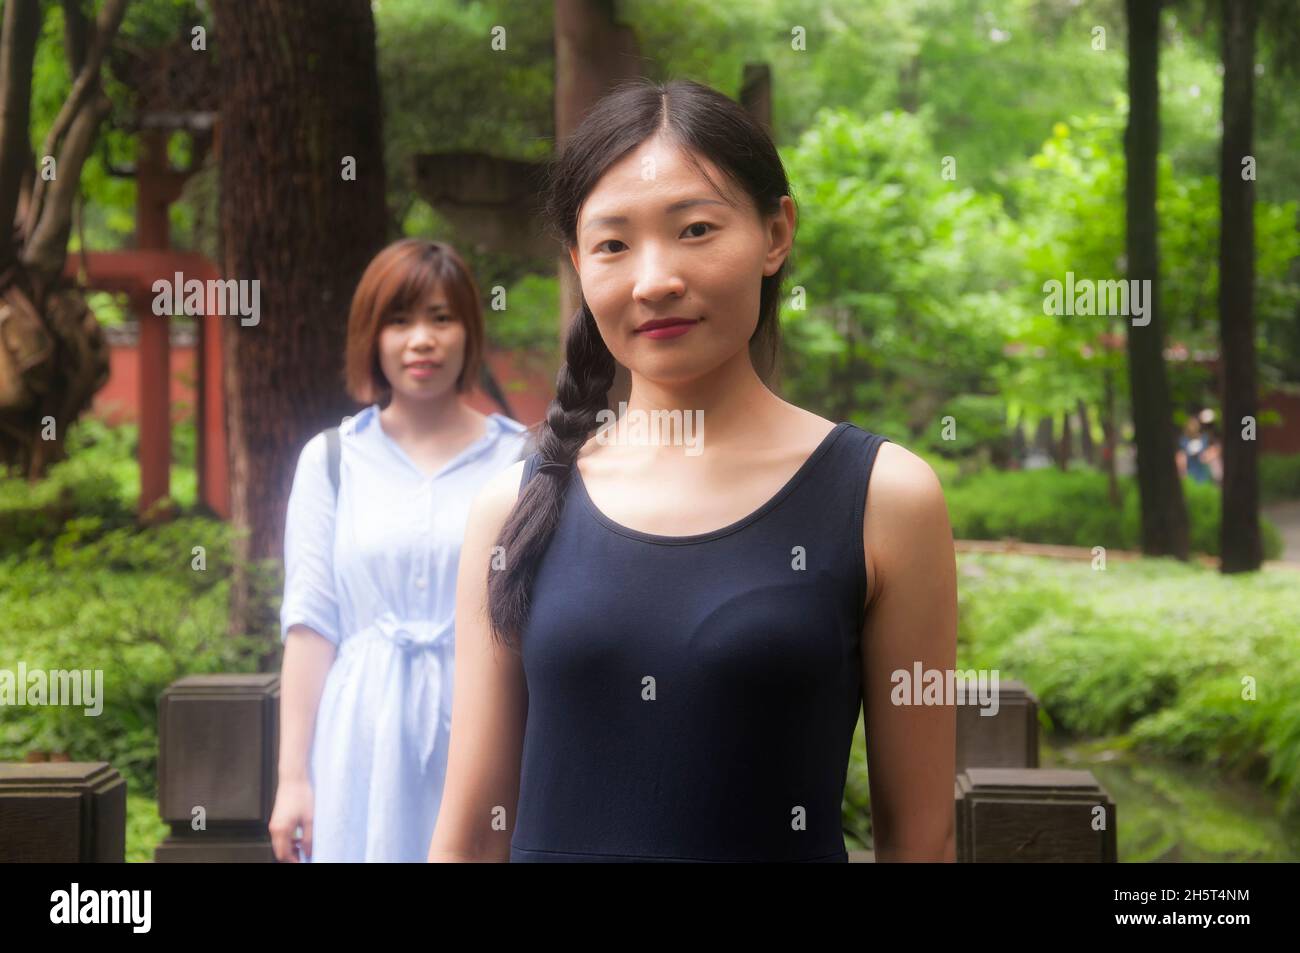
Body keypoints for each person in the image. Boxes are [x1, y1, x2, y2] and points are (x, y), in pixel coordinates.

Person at [429, 80, 957, 863]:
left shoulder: (885, 497)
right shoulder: (514, 505)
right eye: (613, 244)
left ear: (777, 233)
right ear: (578, 264)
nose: (654, 279)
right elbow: (472, 832)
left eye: (696, 229)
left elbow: (920, 841)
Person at [270, 239, 528, 862]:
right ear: (371, 335)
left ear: (469, 332)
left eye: (442, 319)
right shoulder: (330, 460)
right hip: (361, 729)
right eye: (400, 320)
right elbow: (311, 625)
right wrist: (292, 779)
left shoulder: (523, 459)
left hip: (485, 722)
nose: (422, 340)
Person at [1176, 414, 1212, 484]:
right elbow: (1181, 457)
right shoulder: (1183, 440)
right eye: (1191, 425)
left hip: (1203, 470)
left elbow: (1210, 453)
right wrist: (1182, 472)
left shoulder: (1204, 438)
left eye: (1194, 425)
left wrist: (1205, 457)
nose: (1193, 427)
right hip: (1190, 471)